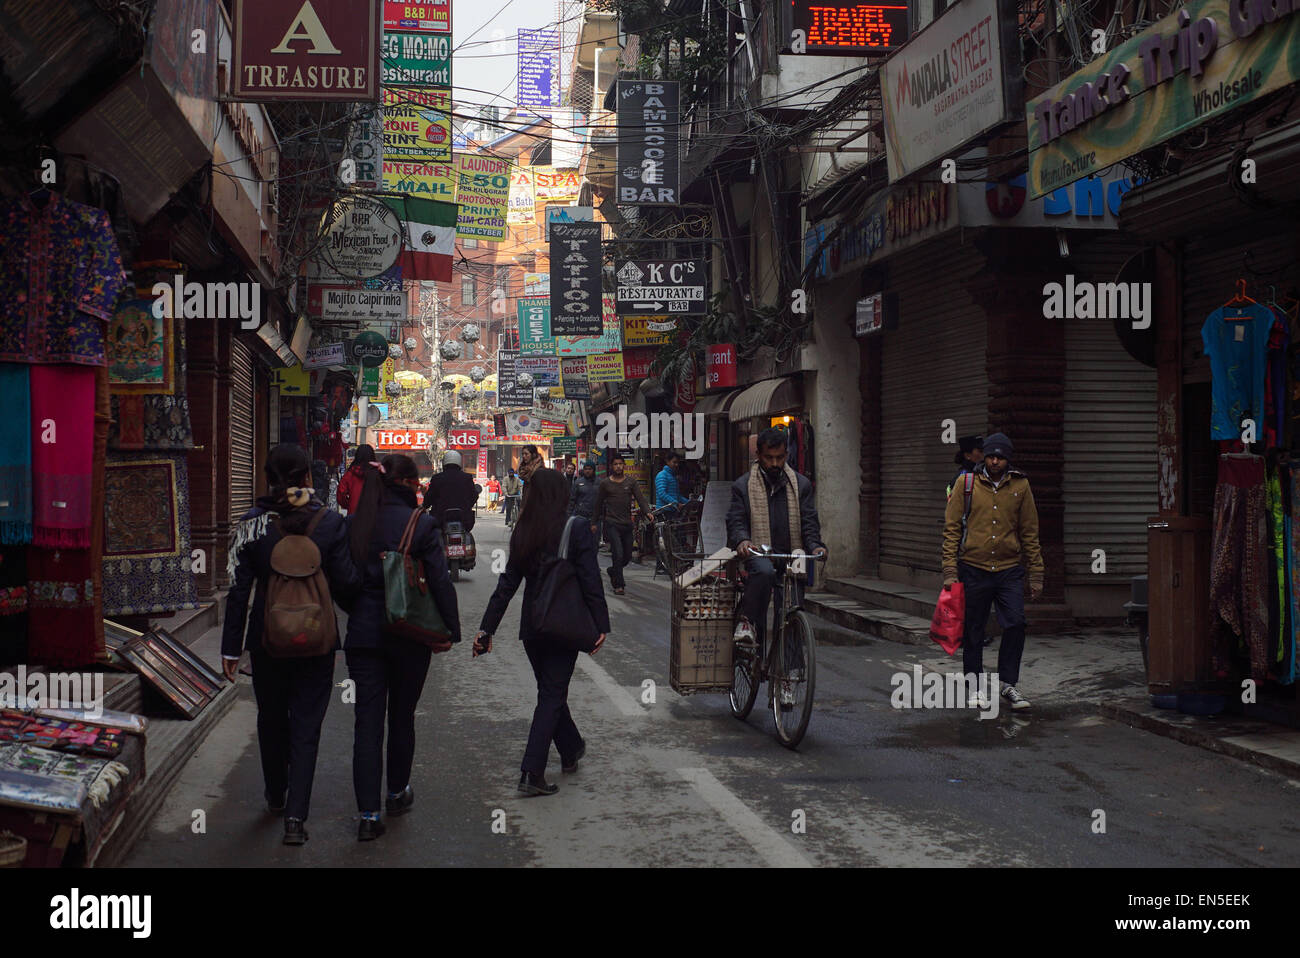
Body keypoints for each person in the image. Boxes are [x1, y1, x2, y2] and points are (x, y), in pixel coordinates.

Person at [222, 444, 360, 846]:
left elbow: (236, 590)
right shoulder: (330, 523)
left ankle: (276, 794)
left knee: (271, 717)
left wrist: (231, 649)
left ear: (266, 478)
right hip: (317, 642)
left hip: (267, 641)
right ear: (307, 478)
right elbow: (347, 583)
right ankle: (296, 819)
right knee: (306, 726)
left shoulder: (253, 524)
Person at [344, 454, 462, 840]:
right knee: (402, 716)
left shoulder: (356, 522)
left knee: (366, 722)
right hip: (409, 635)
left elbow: (341, 579)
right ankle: (396, 793)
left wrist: (359, 608)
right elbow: (441, 582)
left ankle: (368, 816)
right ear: (412, 485)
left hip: (363, 636)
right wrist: (450, 630)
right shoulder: (422, 524)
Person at [475, 468, 609, 796]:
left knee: (551, 691)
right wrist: (600, 625)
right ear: (562, 494)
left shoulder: (524, 529)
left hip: (533, 630)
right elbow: (591, 580)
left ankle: (571, 747)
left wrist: (486, 629)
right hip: (563, 627)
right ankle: (531, 772)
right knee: (551, 694)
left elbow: (506, 586)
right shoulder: (575, 529)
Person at [941, 432, 1043, 712]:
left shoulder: (1021, 486)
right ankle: (974, 687)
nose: (995, 461)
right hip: (974, 568)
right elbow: (951, 529)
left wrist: (1036, 573)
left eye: (1000, 456)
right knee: (974, 630)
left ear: (1008, 458)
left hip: (1009, 570)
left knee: (1016, 624)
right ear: (984, 456)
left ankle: (1009, 684)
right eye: (990, 456)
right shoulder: (967, 483)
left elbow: (1030, 532)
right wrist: (950, 570)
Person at [726, 428, 827, 652]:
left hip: (791, 554)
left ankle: (787, 677)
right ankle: (748, 622)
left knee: (791, 614)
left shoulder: (801, 485)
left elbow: (809, 521)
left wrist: (816, 545)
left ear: (786, 455)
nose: (774, 463)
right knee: (764, 572)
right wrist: (742, 540)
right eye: (769, 458)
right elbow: (736, 520)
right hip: (759, 553)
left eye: (779, 458)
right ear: (758, 456)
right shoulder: (742, 486)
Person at [592, 453, 653, 596]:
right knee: (617, 554)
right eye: (615, 464)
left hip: (627, 524)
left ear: (624, 465)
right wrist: (594, 522)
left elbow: (640, 499)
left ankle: (613, 570)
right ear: (611, 466)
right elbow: (598, 504)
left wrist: (648, 512)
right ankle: (619, 585)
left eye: (620, 463)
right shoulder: (605, 484)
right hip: (612, 524)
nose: (618, 466)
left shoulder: (631, 482)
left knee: (626, 556)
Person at [422, 450, 480, 532]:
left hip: (440, 519)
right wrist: (467, 505)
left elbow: (429, 497)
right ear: (459, 462)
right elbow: (474, 496)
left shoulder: (437, 478)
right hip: (464, 519)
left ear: (444, 463)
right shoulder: (467, 477)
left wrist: (425, 505)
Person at [336, 444, 375, 513]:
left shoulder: (350, 473)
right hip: (373, 514)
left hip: (354, 514)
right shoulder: (377, 473)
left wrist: (349, 505)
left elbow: (341, 494)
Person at [654, 452, 690, 517]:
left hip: (672, 511)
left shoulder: (673, 476)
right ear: (667, 461)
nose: (676, 465)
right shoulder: (662, 475)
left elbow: (677, 495)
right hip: (664, 512)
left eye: (677, 462)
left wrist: (688, 503)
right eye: (674, 462)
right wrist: (676, 503)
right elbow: (662, 493)